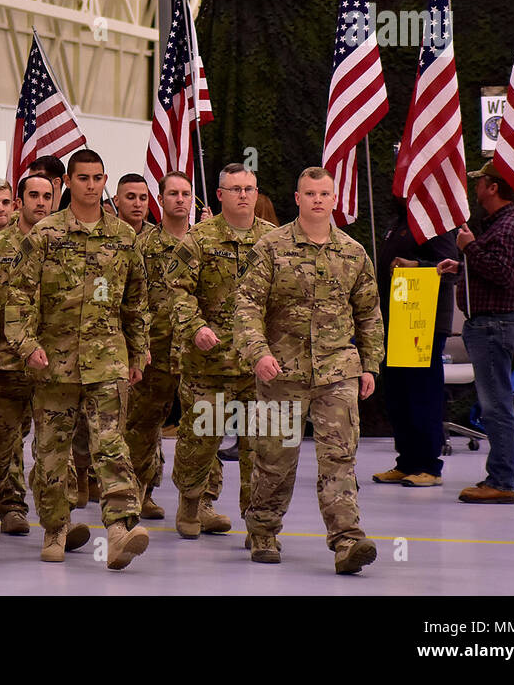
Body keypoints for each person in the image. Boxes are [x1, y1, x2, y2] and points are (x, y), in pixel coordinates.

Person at [6, 148, 151, 569]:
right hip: (53, 362)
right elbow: (18, 297)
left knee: (110, 444)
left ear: (105, 182)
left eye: (97, 178)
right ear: (66, 183)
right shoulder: (46, 235)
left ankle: (122, 526)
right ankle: (55, 527)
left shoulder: (125, 238)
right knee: (52, 451)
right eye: (83, 178)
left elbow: (136, 302)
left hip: (107, 360)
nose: (91, 185)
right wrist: (26, 344)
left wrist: (138, 352)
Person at [234, 166, 383, 574]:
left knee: (339, 458)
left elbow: (369, 313)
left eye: (324, 193)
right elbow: (246, 305)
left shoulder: (353, 253)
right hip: (282, 373)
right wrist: (257, 352)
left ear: (334, 199)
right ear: (297, 199)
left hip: (337, 372)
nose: (317, 199)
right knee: (275, 458)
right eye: (309, 193)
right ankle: (263, 529)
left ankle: (347, 541)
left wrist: (370, 364)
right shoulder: (271, 247)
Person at [168, 163, 277, 538]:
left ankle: (257, 521)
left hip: (256, 364)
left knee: (257, 446)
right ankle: (193, 503)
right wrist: (195, 327)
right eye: (235, 189)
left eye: (249, 188)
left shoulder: (273, 241)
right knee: (199, 440)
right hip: (208, 363)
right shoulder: (197, 240)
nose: (243, 195)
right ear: (219, 195)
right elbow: (177, 291)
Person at [436, 161, 514, 505]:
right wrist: (462, 266)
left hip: (494, 325)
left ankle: (502, 481)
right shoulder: (502, 225)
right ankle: (500, 476)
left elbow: (502, 273)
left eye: (481, 183)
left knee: (495, 407)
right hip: (492, 324)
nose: (475, 188)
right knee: (495, 404)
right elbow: (492, 268)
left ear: (493, 188)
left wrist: (468, 249)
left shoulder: (507, 226)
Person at [0, 174, 56, 542]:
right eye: (33, 196)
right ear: (19, 202)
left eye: (47, 196)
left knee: (54, 445)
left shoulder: (65, 243)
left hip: (54, 363)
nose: (41, 202)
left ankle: (52, 520)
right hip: (5, 361)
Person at [124, 170, 202, 520]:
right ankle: (139, 492)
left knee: (202, 426)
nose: (180, 200)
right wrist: (137, 346)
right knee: (143, 424)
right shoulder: (143, 245)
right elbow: (131, 298)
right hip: (154, 347)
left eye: (185, 193)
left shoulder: (205, 243)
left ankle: (200, 501)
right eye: (173, 193)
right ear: (162, 199)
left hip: (196, 350)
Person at [372, 194, 458, 488]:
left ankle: (429, 465)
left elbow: (451, 270)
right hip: (397, 318)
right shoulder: (401, 221)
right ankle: (407, 461)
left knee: (423, 394)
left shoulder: (436, 222)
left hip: (425, 321)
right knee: (398, 395)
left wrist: (416, 265)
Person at [114, 173, 153, 241]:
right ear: (116, 200)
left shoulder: (158, 236)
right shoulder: (100, 234)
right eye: (131, 197)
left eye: (143, 198)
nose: (137, 204)